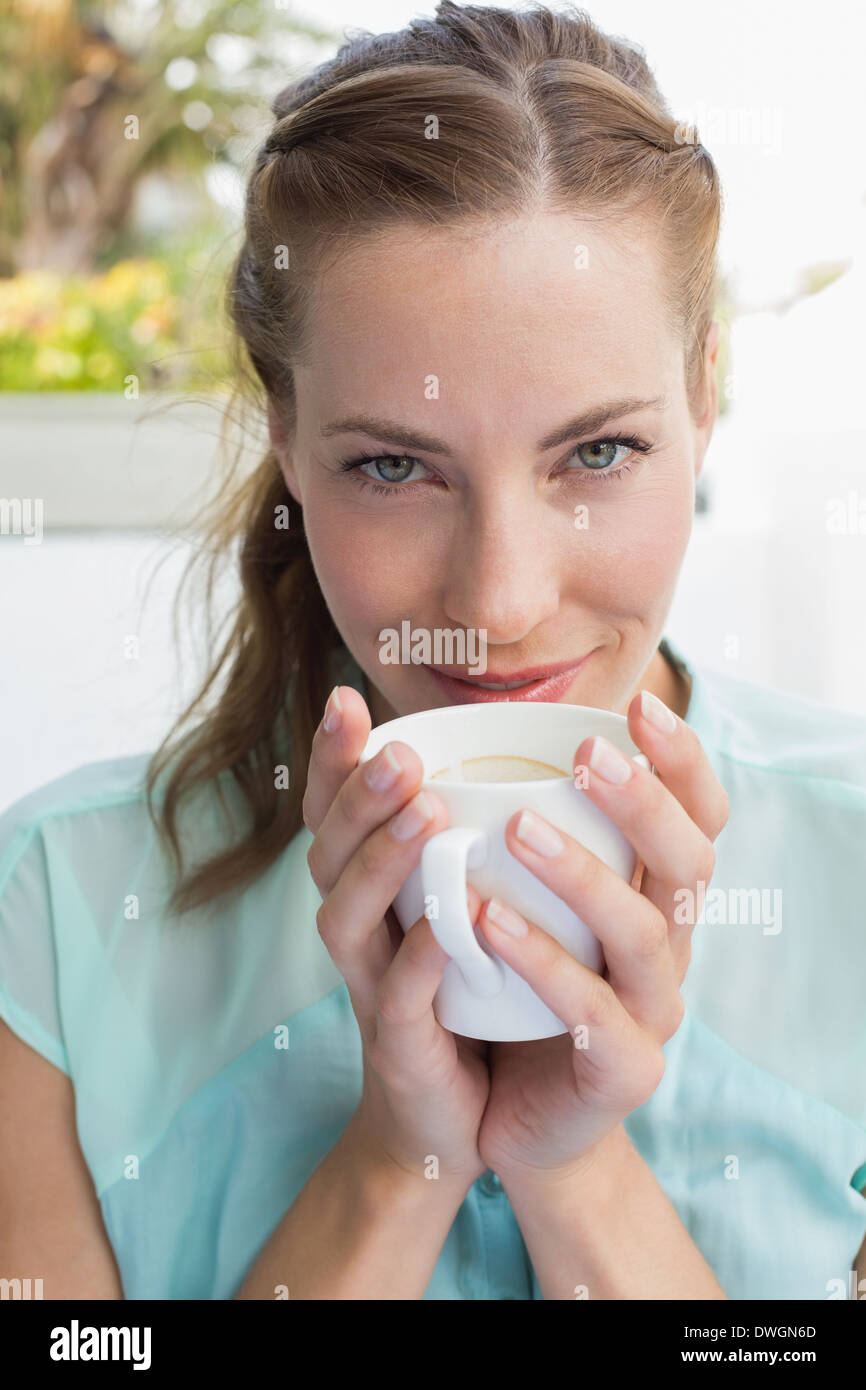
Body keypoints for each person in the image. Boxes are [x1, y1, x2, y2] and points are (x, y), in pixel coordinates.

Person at [1, 2, 864, 1301]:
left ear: (703, 391)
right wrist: (396, 1160)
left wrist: (573, 1168)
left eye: (596, 451)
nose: (502, 601)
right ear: (285, 432)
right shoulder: (52, 920)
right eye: (394, 465)